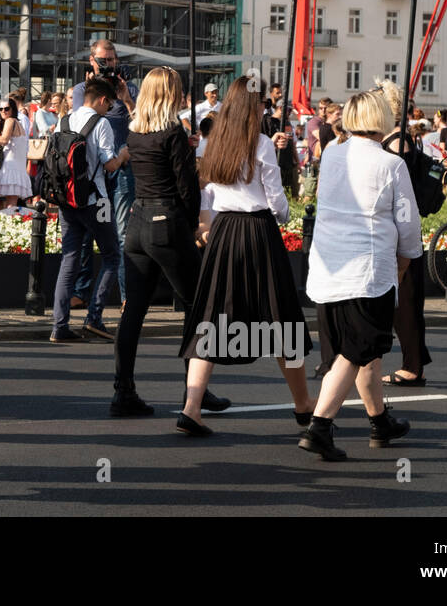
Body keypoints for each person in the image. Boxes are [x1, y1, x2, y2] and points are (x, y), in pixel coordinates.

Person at [178, 76, 313, 437]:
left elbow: (206, 190)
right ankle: (303, 405)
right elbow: (276, 200)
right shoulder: (262, 143)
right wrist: (287, 215)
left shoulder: (214, 141)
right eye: (262, 104)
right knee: (280, 318)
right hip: (257, 232)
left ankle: (192, 407)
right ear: (254, 106)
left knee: (212, 315)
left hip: (223, 233)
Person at [300, 89, 419, 460]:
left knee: (365, 349)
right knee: (355, 351)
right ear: (382, 118)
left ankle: (379, 420)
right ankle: (319, 427)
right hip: (368, 271)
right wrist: (406, 260)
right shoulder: (391, 163)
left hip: (328, 266)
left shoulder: (333, 154)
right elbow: (408, 223)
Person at [113, 67, 205, 416]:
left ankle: (123, 391)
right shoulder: (173, 133)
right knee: (198, 305)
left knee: (133, 310)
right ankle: (195, 391)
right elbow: (186, 188)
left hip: (138, 222)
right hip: (167, 222)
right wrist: (195, 224)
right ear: (172, 95)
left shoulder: (136, 134)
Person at [50, 78, 130, 343]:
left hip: (66, 201)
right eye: (109, 105)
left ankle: (59, 326)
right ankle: (93, 318)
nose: (108, 110)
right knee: (112, 255)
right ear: (102, 100)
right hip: (97, 201)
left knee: (69, 259)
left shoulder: (65, 120)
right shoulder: (101, 123)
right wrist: (124, 155)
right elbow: (109, 166)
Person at [69, 40, 138, 311]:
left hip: (120, 169)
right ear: (91, 61)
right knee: (85, 233)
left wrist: (126, 100)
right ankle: (81, 291)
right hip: (90, 171)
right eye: (102, 60)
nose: (107, 65)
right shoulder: (80, 90)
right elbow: (76, 124)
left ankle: (126, 296)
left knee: (123, 232)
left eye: (111, 60)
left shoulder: (128, 89)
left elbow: (142, 123)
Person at [371, 79, 431, 388]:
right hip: (397, 227)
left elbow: (404, 197)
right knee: (403, 302)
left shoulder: (397, 143)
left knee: (405, 303)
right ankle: (414, 361)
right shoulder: (397, 139)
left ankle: (413, 366)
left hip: (400, 229)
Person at [0, 98, 31, 213]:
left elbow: (3, 140)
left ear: (13, 110)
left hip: (8, 169)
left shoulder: (10, 121)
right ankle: (10, 229)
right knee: (11, 207)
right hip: (18, 171)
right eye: (0, 109)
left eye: (6, 109)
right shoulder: (19, 124)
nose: (3, 111)